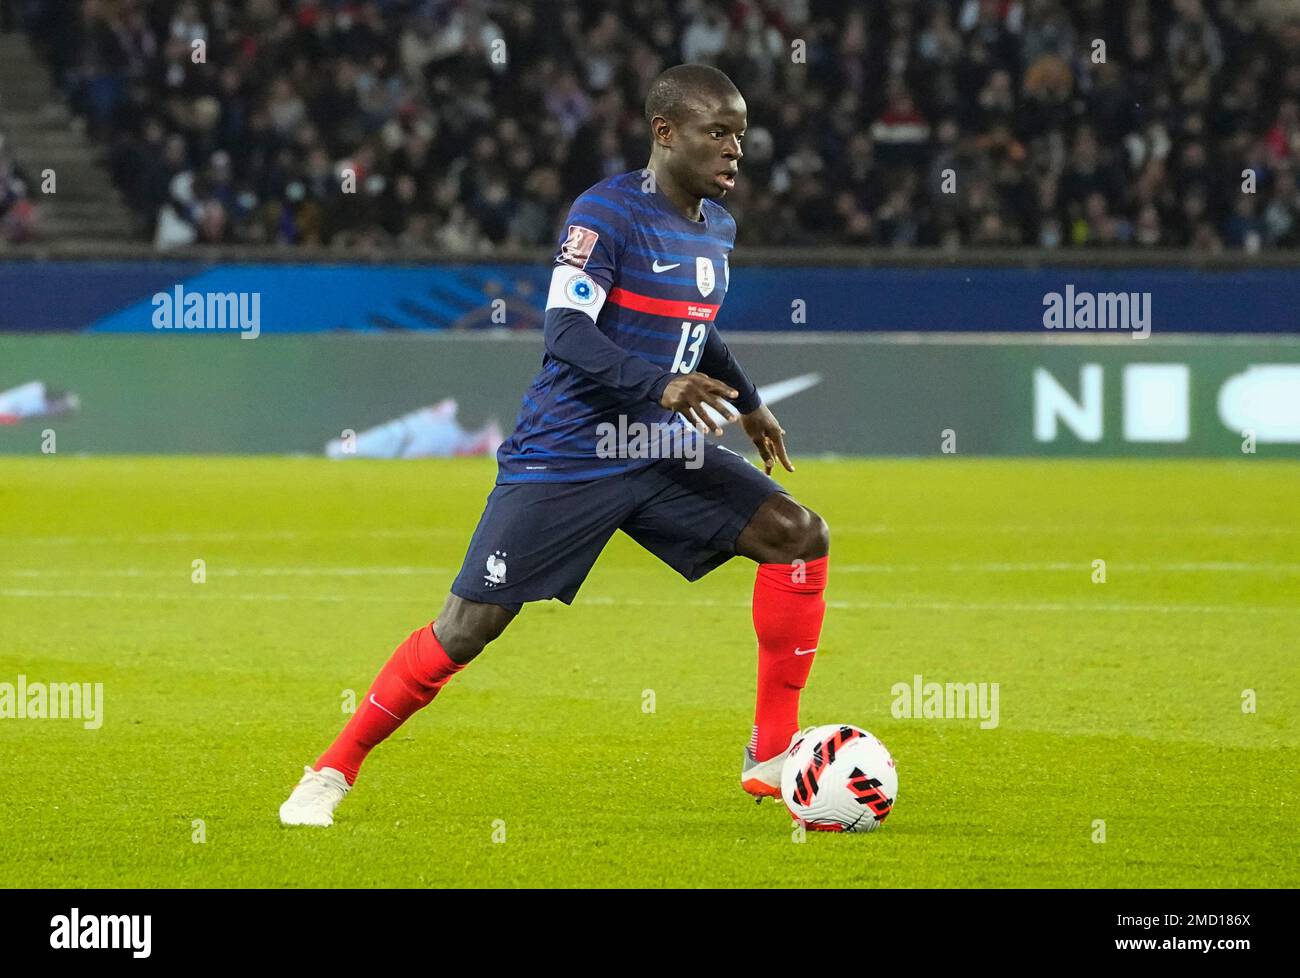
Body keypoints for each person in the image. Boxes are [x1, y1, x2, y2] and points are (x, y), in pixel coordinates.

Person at [280, 64, 830, 826]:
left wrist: (753, 404)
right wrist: (658, 385)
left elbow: (697, 332)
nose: (735, 149)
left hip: (655, 443)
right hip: (569, 449)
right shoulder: (604, 213)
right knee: (467, 629)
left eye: (741, 134)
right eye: (718, 132)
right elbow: (565, 333)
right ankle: (332, 769)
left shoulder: (717, 229)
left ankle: (771, 754)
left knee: (798, 536)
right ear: (664, 133)